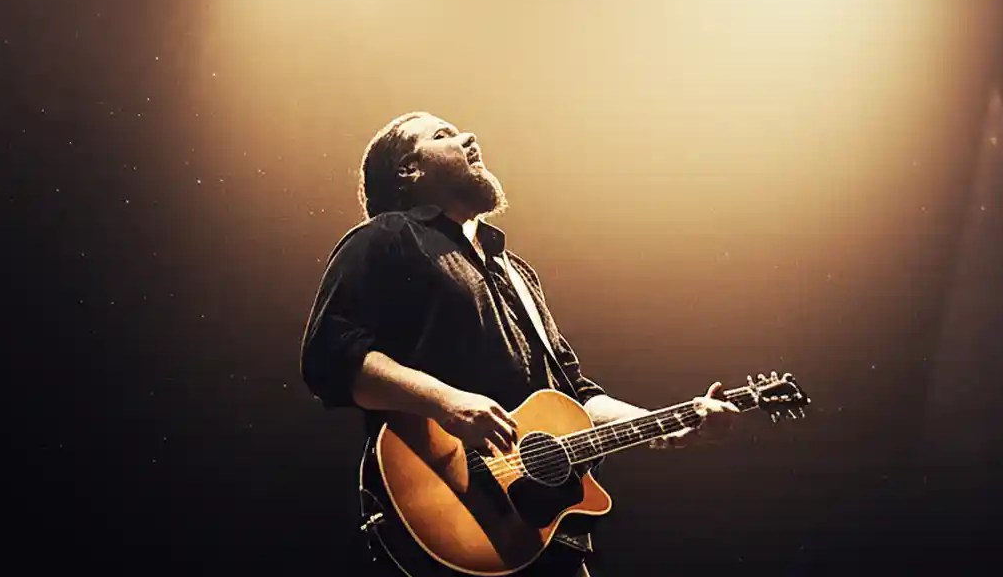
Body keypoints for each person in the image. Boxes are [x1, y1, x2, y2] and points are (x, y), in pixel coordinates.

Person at [300, 112, 738, 576]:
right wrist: (448, 403)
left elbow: (578, 395)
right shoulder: (385, 237)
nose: (469, 136)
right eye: (444, 135)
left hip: (547, 531)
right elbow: (328, 357)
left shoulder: (517, 271)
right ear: (410, 169)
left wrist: (668, 422)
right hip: (448, 510)